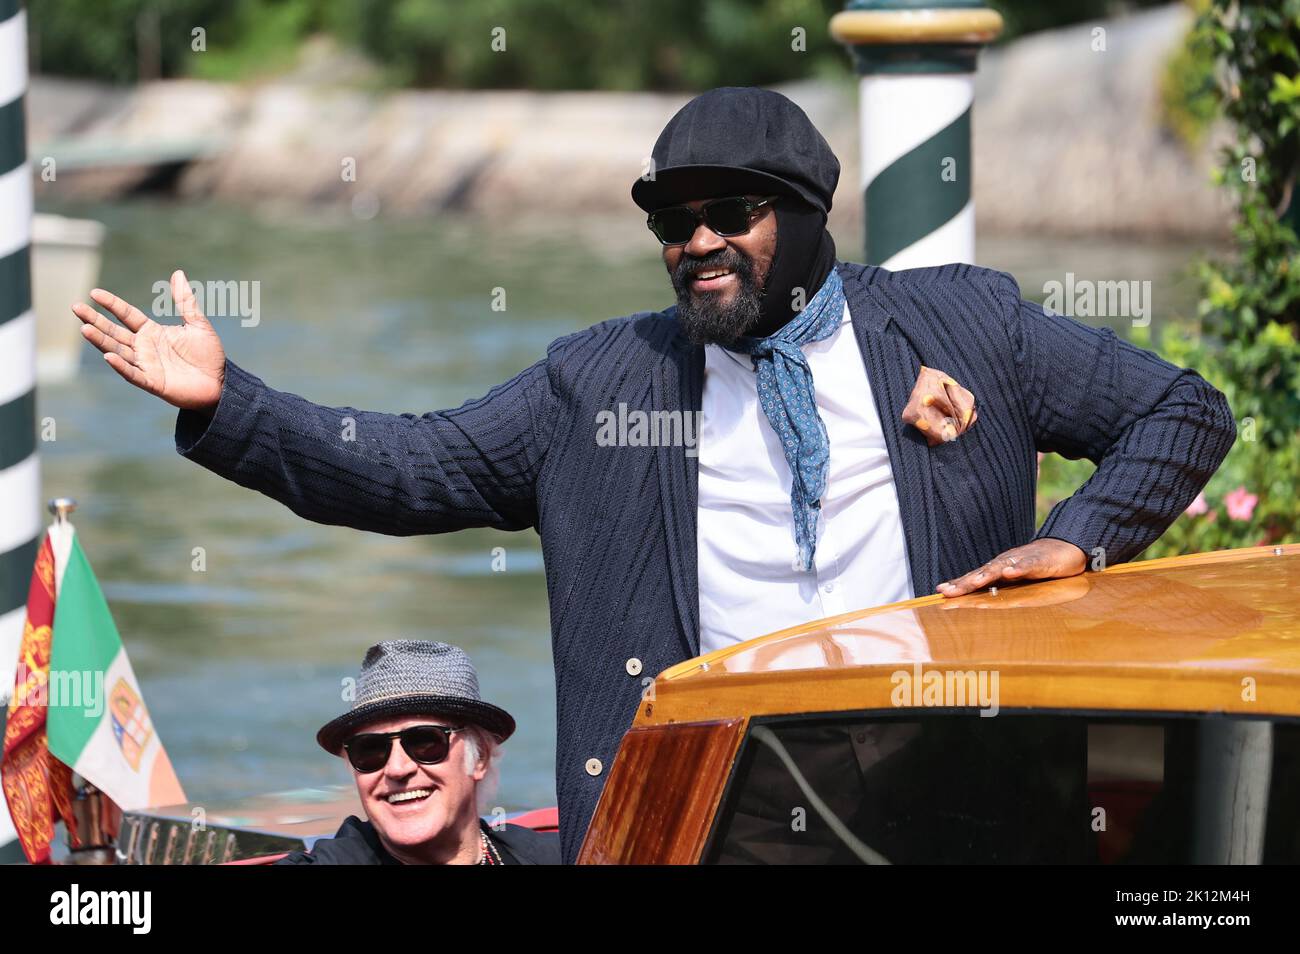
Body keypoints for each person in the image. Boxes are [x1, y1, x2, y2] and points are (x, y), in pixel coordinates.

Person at [73, 87, 1236, 863]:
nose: (694, 241)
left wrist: (1076, 540)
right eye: (671, 221)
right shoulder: (599, 384)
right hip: (705, 804)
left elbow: (1180, 411)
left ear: (807, 217)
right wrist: (235, 405)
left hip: (948, 790)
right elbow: (409, 469)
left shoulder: (963, 325)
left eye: (728, 212)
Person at [277, 640, 559, 865]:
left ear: (480, 757)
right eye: (371, 749)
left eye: (425, 742)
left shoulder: (558, 854)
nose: (397, 768)